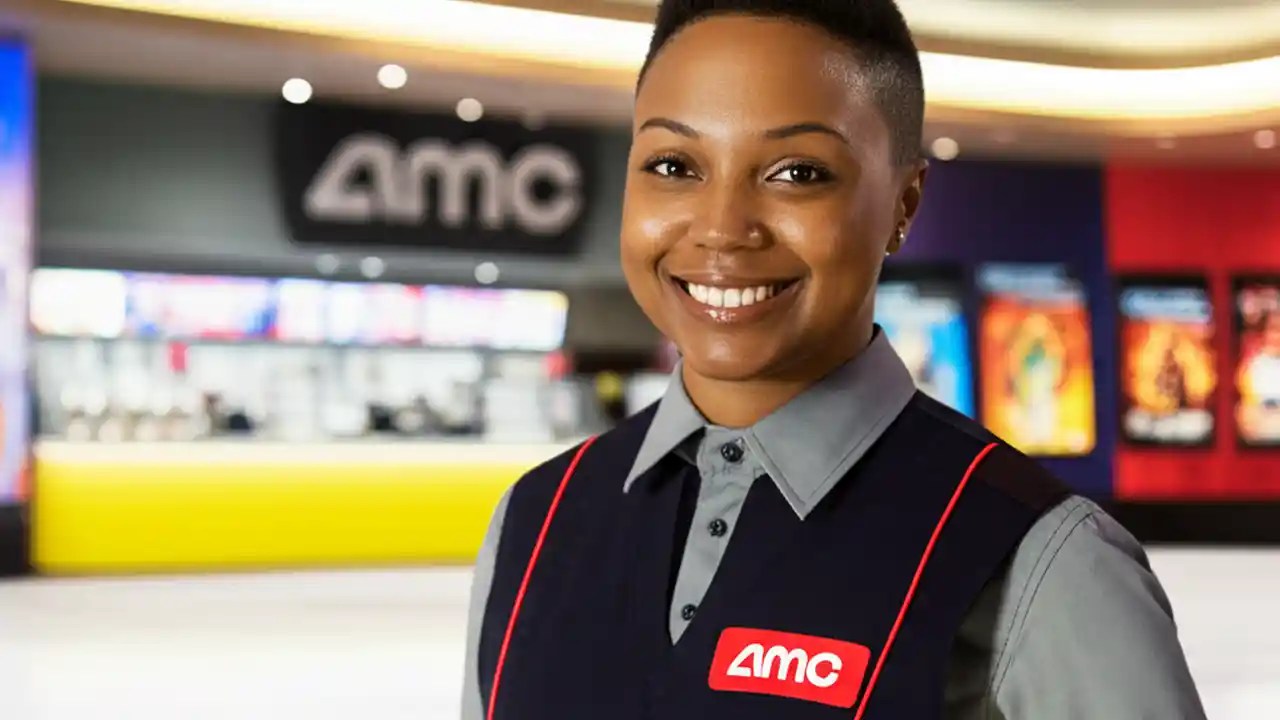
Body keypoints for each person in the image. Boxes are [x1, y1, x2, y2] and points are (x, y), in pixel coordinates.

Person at [462, 1, 1206, 717]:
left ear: (904, 205)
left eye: (797, 172)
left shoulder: (1040, 561)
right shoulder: (534, 525)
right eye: (673, 164)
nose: (722, 230)